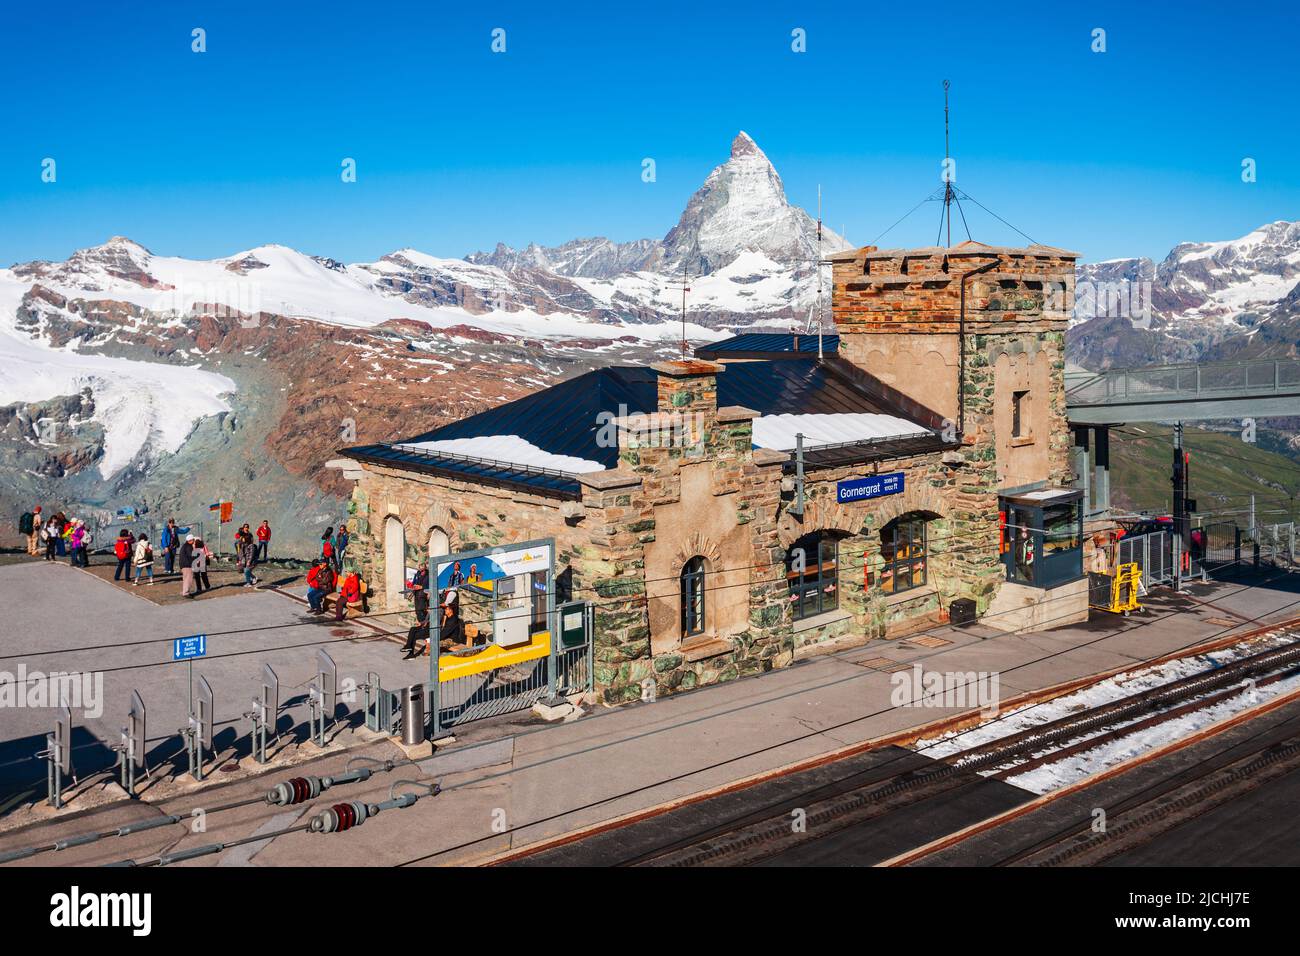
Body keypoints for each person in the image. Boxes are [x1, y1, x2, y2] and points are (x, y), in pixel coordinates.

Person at [401, 573, 430, 659]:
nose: (427, 596)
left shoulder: (438, 608)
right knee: (413, 629)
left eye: (428, 594)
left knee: (414, 634)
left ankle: (411, 653)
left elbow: (435, 620)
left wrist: (426, 622)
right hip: (425, 625)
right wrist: (424, 622)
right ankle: (408, 647)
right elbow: (428, 617)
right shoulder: (429, 605)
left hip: (430, 628)